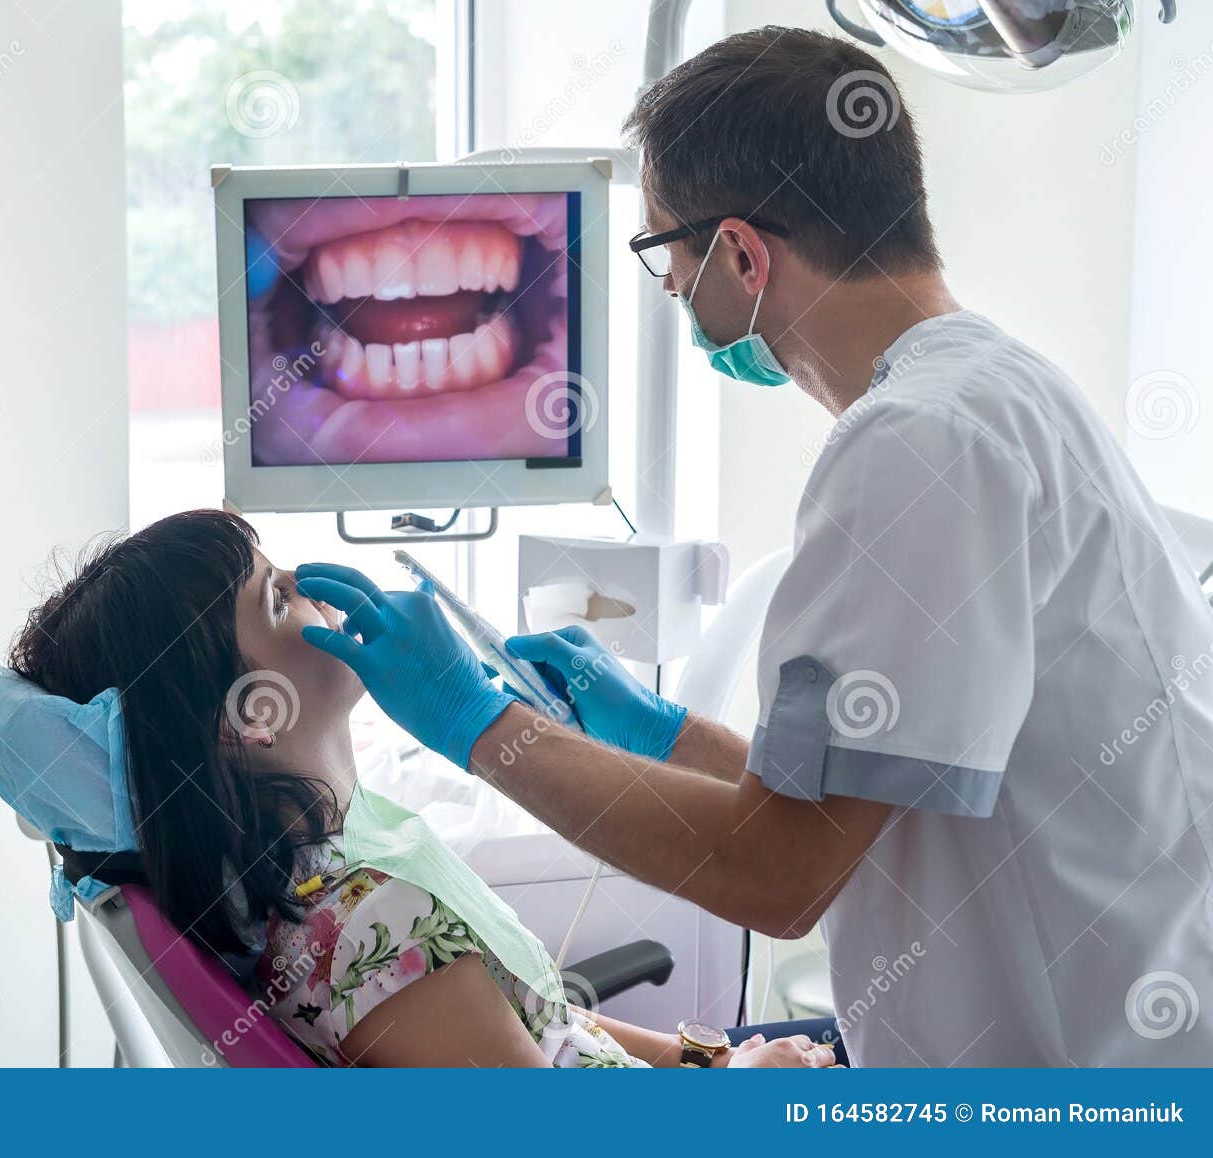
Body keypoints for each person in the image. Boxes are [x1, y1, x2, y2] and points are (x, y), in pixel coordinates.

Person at [293, 28, 1213, 1067]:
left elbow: (779, 875)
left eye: (664, 260)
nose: (675, 293)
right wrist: (664, 734)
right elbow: (869, 792)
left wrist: (480, 725)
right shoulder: (993, 393)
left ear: (739, 254)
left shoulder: (917, 445)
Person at [0, 509, 839, 1068]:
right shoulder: (368, 928)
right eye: (278, 595)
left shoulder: (327, 879)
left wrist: (714, 1063)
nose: (316, 594)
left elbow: (549, 1020)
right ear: (250, 714)